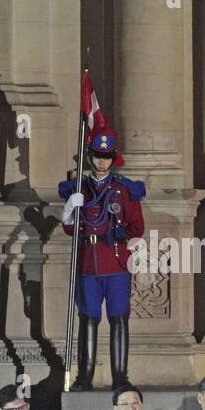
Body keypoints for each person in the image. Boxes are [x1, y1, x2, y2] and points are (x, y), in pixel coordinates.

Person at [59, 127, 146, 391]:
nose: (101, 161)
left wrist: (122, 241)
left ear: (113, 158)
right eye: (97, 155)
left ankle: (120, 377)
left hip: (116, 262)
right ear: (91, 157)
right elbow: (70, 229)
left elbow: (137, 227)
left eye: (106, 156)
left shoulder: (124, 189)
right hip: (88, 262)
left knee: (119, 318)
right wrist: (68, 212)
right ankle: (84, 377)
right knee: (88, 318)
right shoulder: (79, 188)